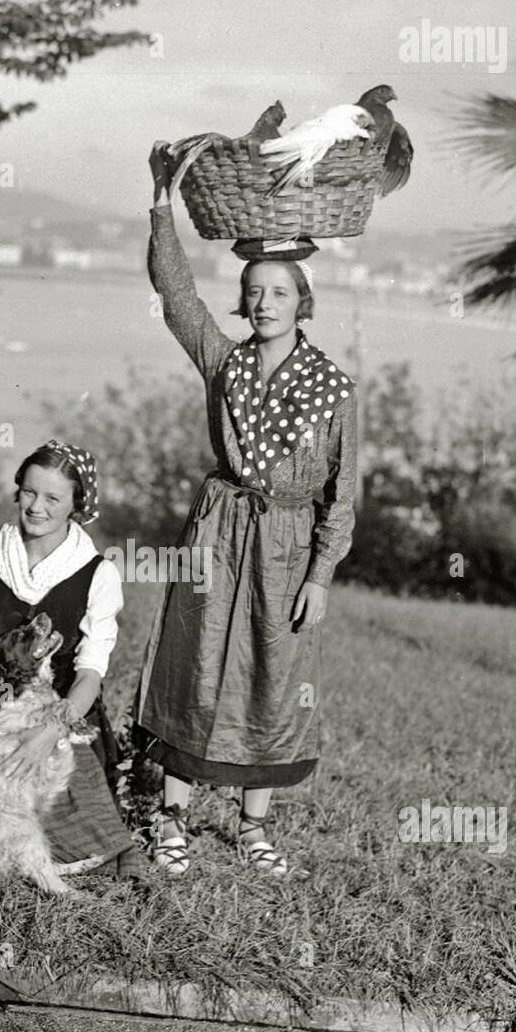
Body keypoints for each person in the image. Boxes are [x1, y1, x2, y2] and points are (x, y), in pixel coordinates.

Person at [132, 142, 358, 879]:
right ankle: (172, 820)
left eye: (278, 293)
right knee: (194, 665)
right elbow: (175, 298)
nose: (262, 303)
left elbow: (342, 490)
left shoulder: (334, 387)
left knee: (273, 670)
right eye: (253, 292)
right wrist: (161, 204)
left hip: (289, 541)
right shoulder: (222, 361)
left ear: (303, 303)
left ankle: (253, 827)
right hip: (218, 532)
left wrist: (320, 575)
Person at [0, 439, 142, 882]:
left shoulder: (98, 572)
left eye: (54, 498)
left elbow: (91, 672)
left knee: (81, 844)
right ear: (17, 491)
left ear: (77, 505)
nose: (37, 507)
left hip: (62, 715)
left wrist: (50, 732)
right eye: (29, 492)